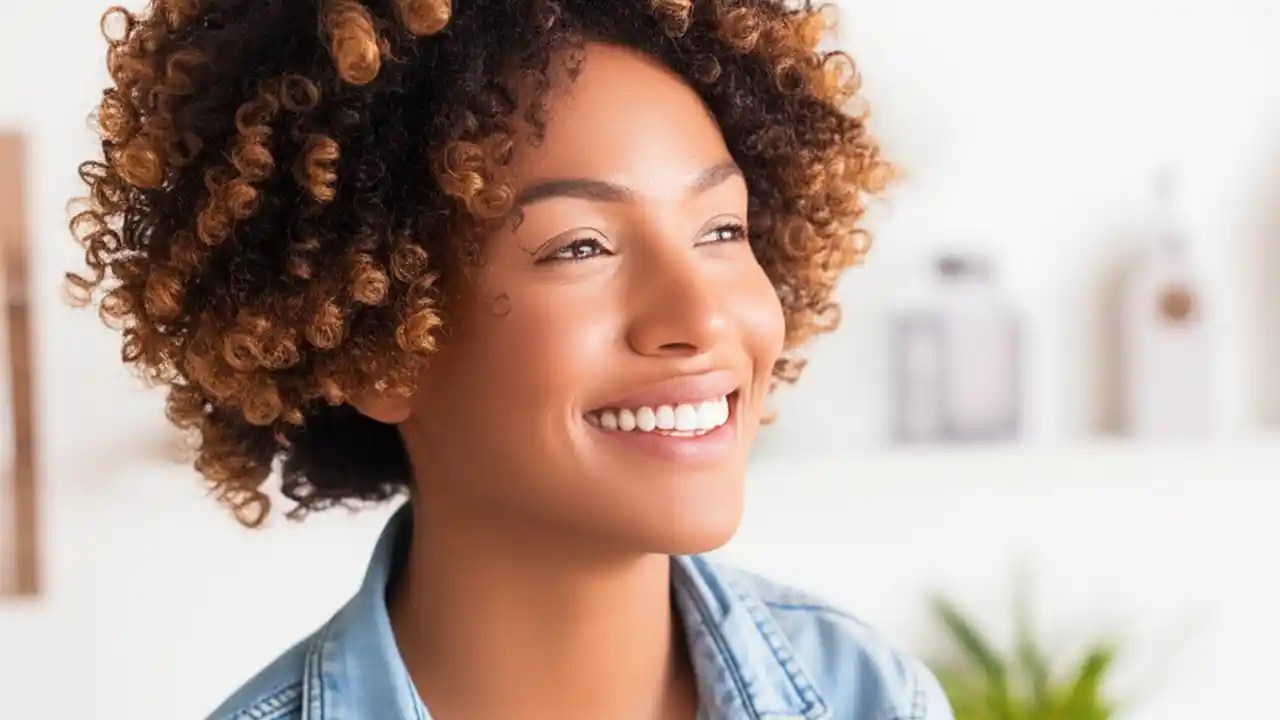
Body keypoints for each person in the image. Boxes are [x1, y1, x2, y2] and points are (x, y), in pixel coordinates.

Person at [69, 0, 953, 718]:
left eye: (722, 229)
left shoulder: (872, 697)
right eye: (580, 247)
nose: (701, 315)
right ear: (375, 343)